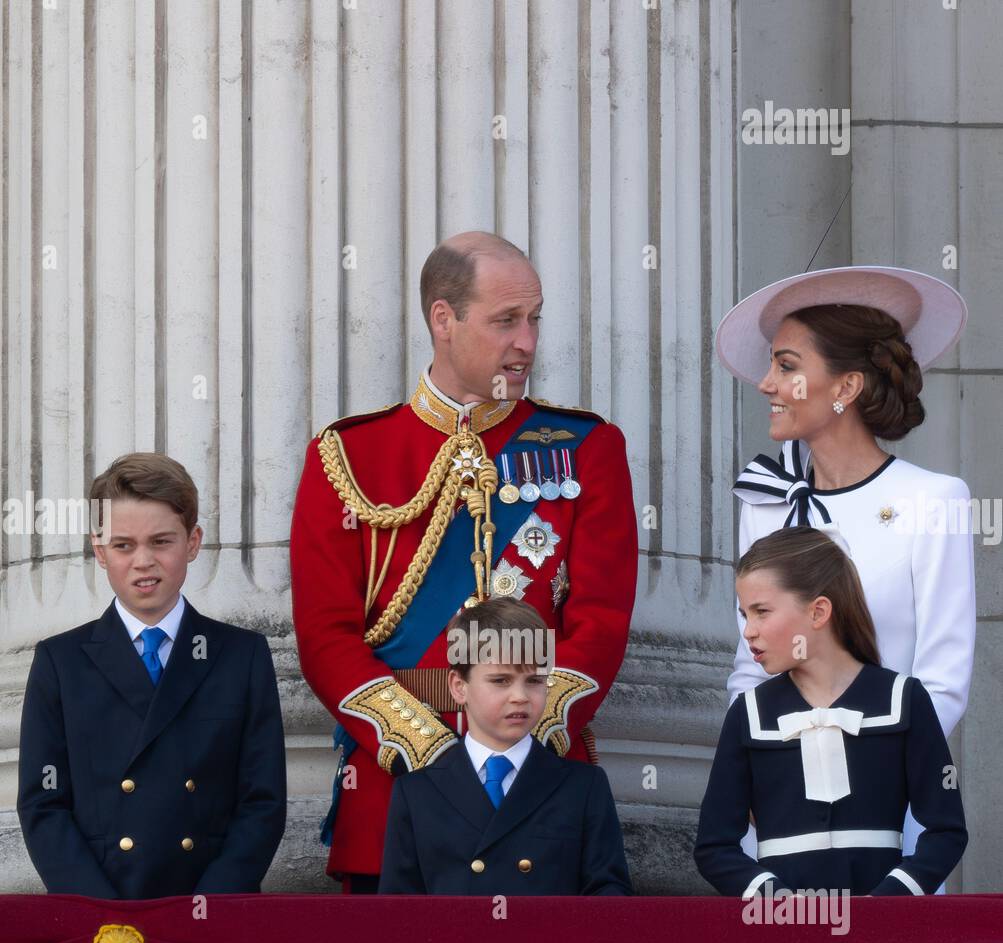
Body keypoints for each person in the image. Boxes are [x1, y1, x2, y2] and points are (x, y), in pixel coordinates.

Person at [291, 230, 637, 892]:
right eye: (506, 320)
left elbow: (600, 618)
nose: (528, 342)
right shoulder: (348, 456)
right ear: (442, 320)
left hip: (539, 796)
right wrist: (431, 756)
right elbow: (324, 635)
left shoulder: (585, 447)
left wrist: (514, 741)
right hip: (395, 797)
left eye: (534, 318)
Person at [714, 265, 975, 876]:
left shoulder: (934, 501)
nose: (765, 383)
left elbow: (942, 680)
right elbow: (748, 666)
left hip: (888, 811)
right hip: (779, 810)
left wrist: (871, 776)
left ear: (845, 386)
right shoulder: (764, 504)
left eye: (786, 366)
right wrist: (759, 768)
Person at [17, 454, 287, 899]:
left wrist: (209, 907)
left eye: (161, 541)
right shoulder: (60, 663)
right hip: (100, 919)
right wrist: (102, 915)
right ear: (99, 551)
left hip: (211, 913)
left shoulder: (242, 656)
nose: (143, 561)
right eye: (123, 545)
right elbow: (43, 804)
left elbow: (262, 801)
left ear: (193, 542)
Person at [694, 529, 967, 898]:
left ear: (818, 611)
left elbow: (946, 831)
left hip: (883, 937)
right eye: (744, 615)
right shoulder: (749, 713)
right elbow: (714, 846)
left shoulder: (904, 699)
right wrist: (777, 901)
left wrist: (889, 902)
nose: (749, 632)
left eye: (761, 612)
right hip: (782, 935)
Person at [378, 598, 632, 895]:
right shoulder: (416, 792)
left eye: (535, 680)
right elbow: (399, 913)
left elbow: (609, 899)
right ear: (459, 687)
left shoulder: (584, 786)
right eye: (501, 681)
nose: (520, 696)